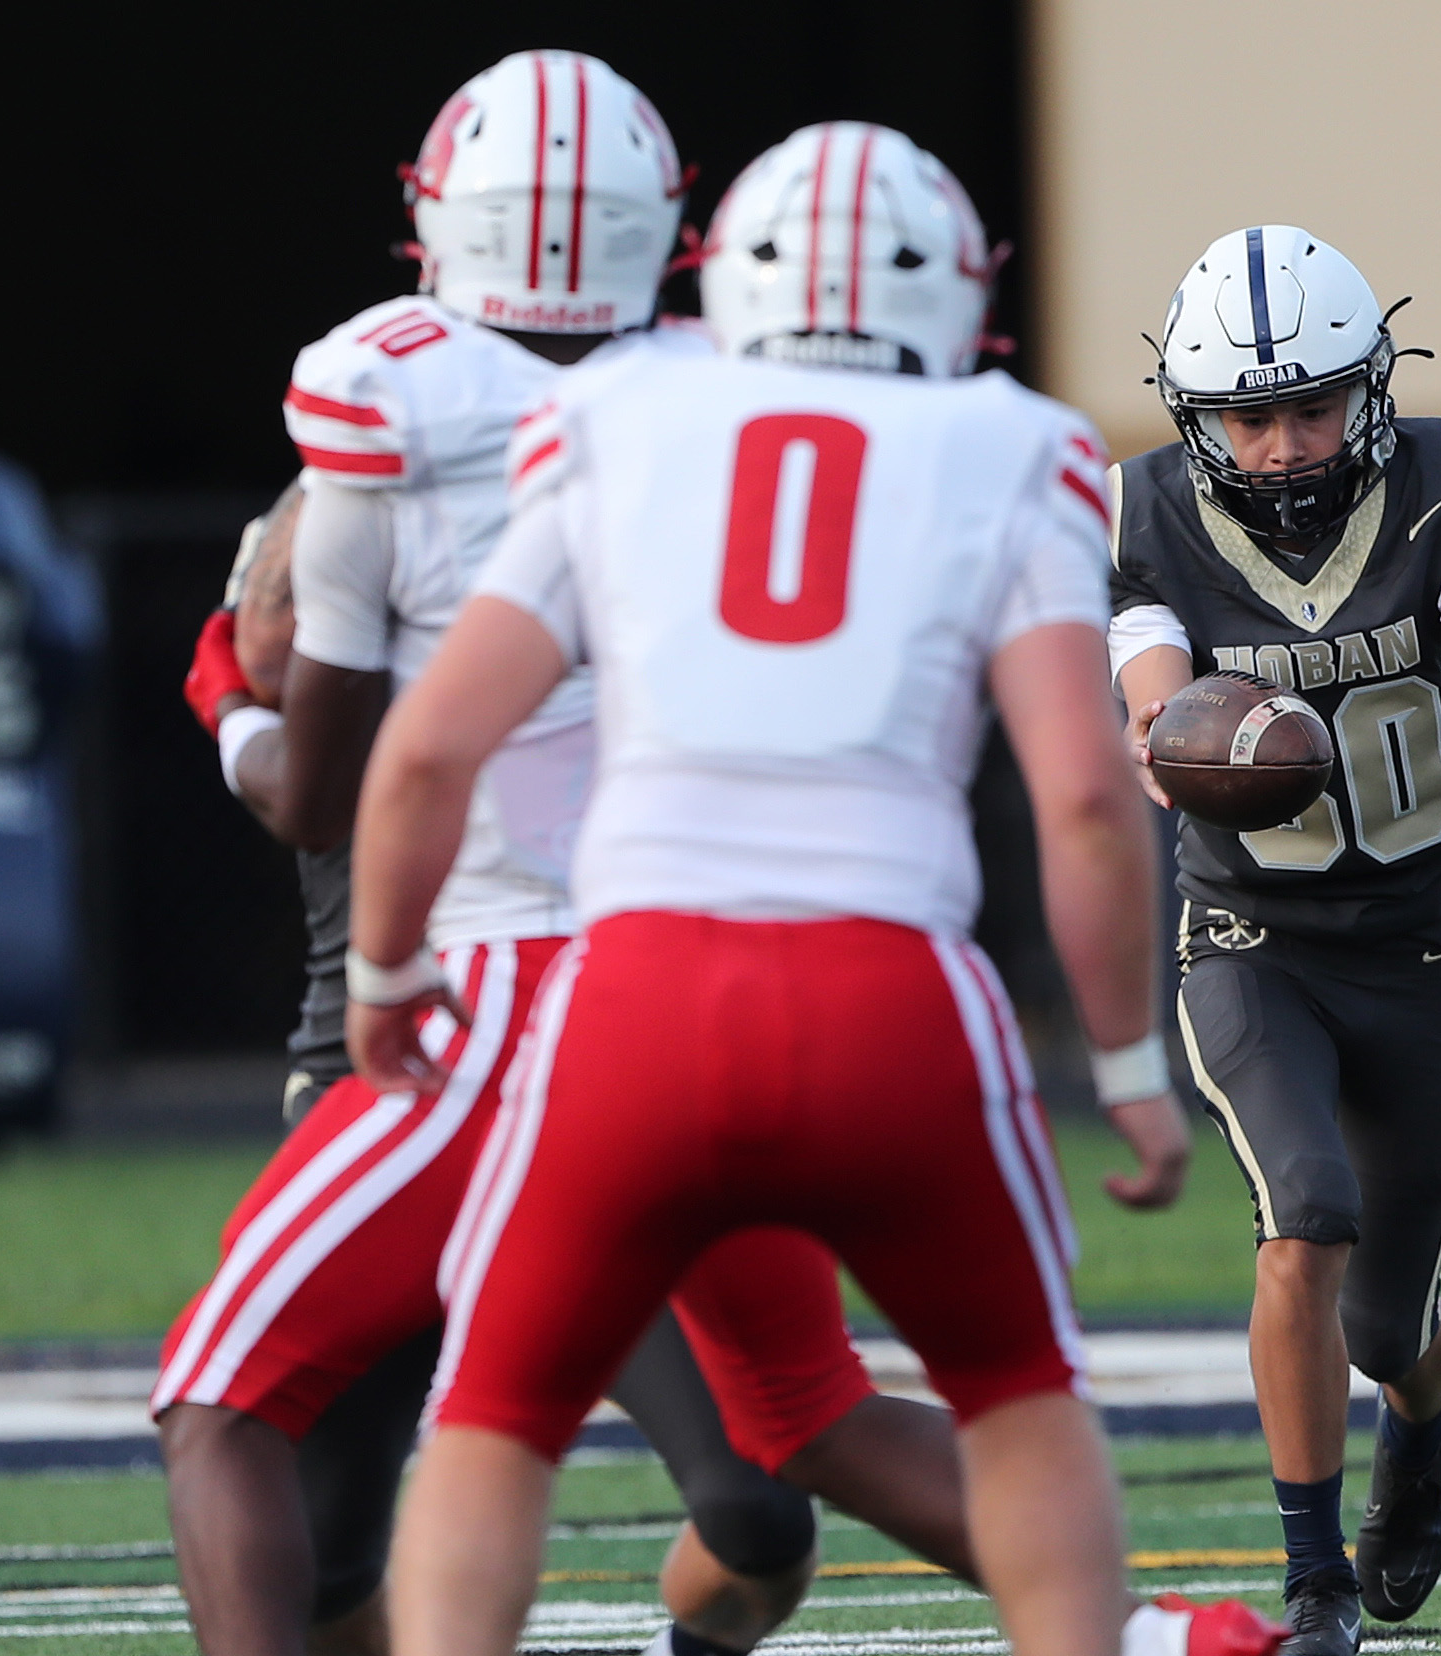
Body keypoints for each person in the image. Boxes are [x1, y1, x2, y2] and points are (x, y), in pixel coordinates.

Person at [343, 122, 1279, 1656]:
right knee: (1021, 1403)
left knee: (495, 1416)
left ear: (722, 282)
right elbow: (1089, 801)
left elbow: (427, 752)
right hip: (892, 1001)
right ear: (962, 293)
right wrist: (1129, 1068)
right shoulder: (1010, 442)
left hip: (633, 1001)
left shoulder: (613, 415)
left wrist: (385, 979)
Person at [162, 64, 975, 1656]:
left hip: (528, 1014)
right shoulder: (707, 416)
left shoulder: (392, 426)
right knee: (331, 1547)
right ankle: (1142, 1623)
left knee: (756, 1494)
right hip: (438, 1023)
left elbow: (308, 774)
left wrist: (224, 699)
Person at [1108, 227, 1441, 1656]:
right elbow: (1150, 664)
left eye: (1310, 404)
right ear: (1200, 421)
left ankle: (1423, 1399)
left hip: (1418, 955)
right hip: (1254, 938)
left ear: (1372, 387)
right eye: (1249, 416)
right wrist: (1158, 727)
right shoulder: (1146, 518)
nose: (1279, 444)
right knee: (1302, 1213)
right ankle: (1314, 1583)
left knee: (1387, 1330)